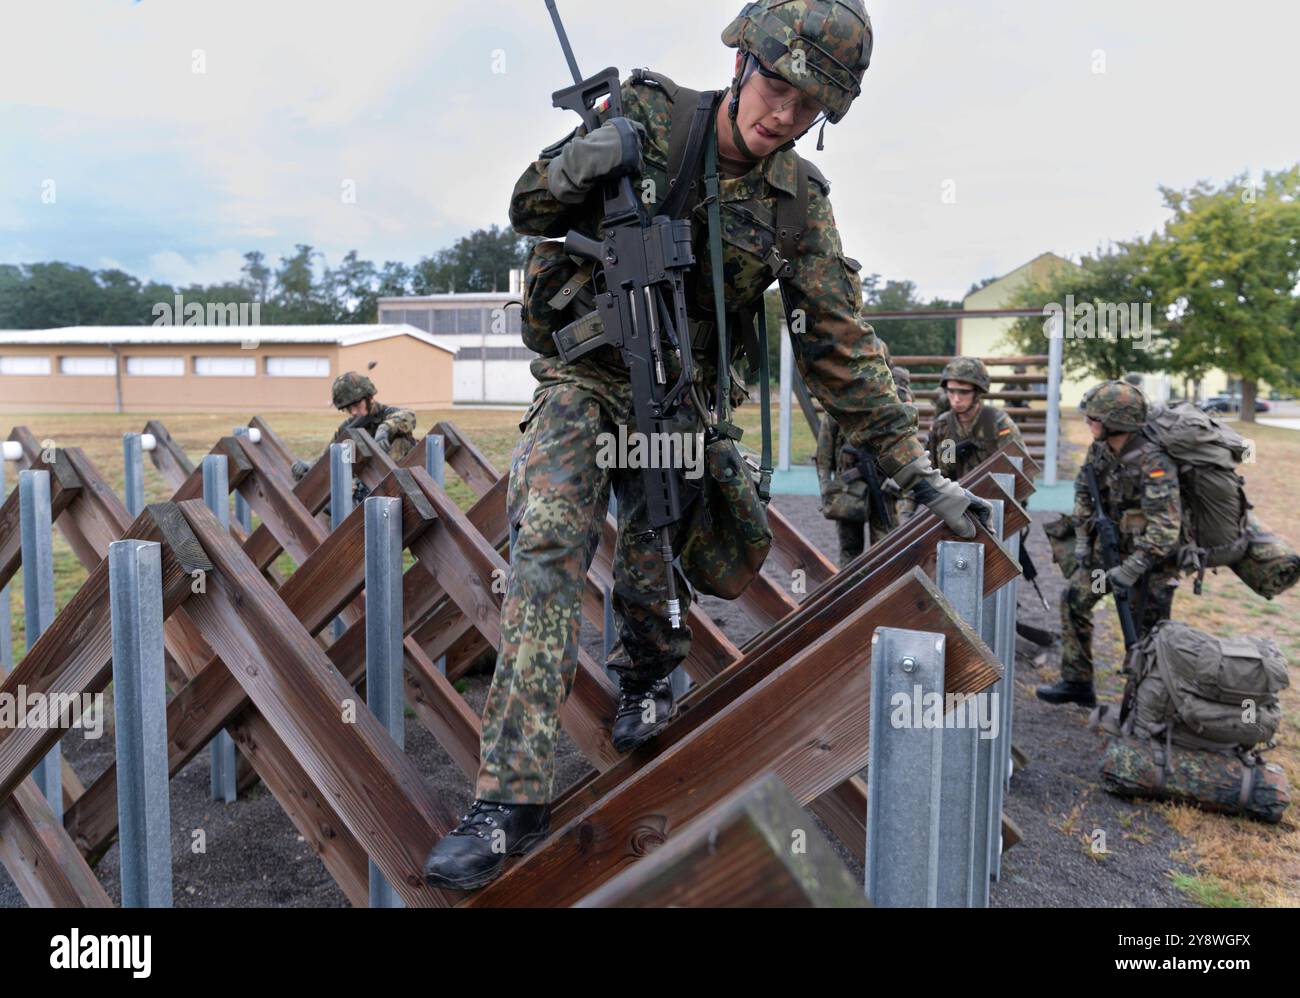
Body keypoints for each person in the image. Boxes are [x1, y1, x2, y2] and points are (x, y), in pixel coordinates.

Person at [422, 0, 988, 891]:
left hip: (684, 399)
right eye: (779, 87)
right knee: (547, 541)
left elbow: (837, 341)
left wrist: (915, 470)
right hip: (586, 377)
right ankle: (508, 798)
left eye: (811, 108)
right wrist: (580, 162)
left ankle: (649, 671)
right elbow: (527, 204)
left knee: (659, 546)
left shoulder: (799, 203)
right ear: (742, 63)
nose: (785, 116)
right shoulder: (648, 114)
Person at [1036, 381, 1181, 707]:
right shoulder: (1100, 450)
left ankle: (1149, 702)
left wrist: (1132, 568)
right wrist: (1084, 539)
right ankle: (1077, 682)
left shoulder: (1154, 463)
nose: (1088, 423)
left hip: (1150, 564)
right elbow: (1085, 491)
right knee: (1074, 599)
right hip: (1109, 551)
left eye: (1094, 419)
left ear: (1117, 422)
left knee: (1147, 632)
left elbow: (1166, 528)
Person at [897, 357, 1022, 517]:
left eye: (963, 392)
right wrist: (906, 512)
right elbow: (924, 472)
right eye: (951, 391)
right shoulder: (942, 426)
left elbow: (1020, 470)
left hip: (993, 506)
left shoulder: (998, 424)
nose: (956, 398)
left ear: (977, 392)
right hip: (952, 508)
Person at [816, 364, 911, 565]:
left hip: (885, 486)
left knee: (886, 550)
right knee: (850, 552)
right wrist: (826, 488)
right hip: (848, 489)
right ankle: (848, 593)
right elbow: (823, 456)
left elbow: (907, 449)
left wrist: (897, 483)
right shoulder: (839, 406)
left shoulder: (897, 402)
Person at [290, 372, 417, 481]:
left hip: (401, 481)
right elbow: (330, 454)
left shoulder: (388, 414)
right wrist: (309, 465)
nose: (354, 412)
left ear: (370, 398)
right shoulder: (348, 428)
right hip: (365, 485)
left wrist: (385, 429)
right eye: (348, 409)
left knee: (400, 441)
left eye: (356, 405)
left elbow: (408, 416)